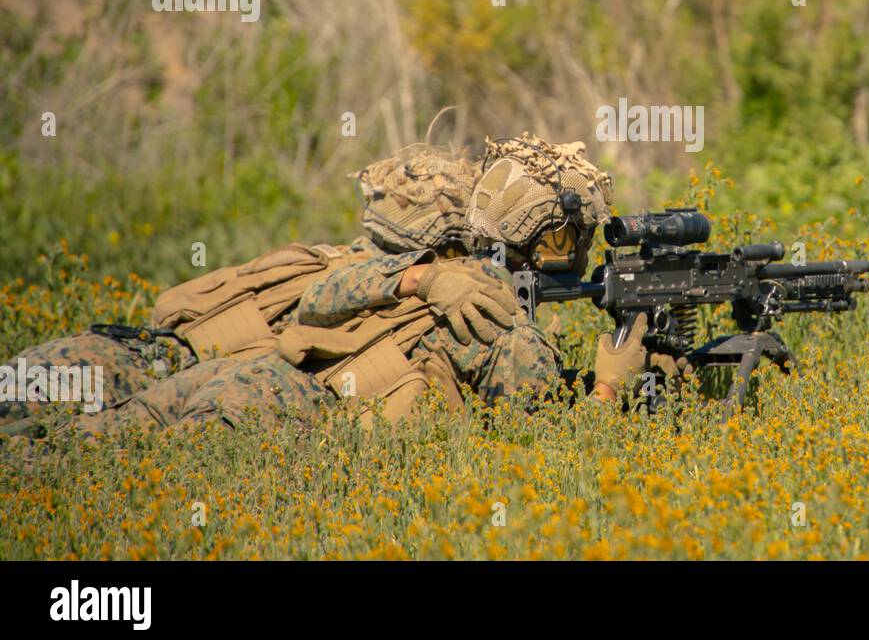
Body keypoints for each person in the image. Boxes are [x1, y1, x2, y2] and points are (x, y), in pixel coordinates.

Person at [0, 133, 648, 438]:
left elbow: (321, 299)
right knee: (89, 460)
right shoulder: (502, 321)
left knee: (74, 446)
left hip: (215, 374)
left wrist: (422, 278)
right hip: (264, 400)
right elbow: (539, 450)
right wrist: (610, 385)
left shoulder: (368, 270)